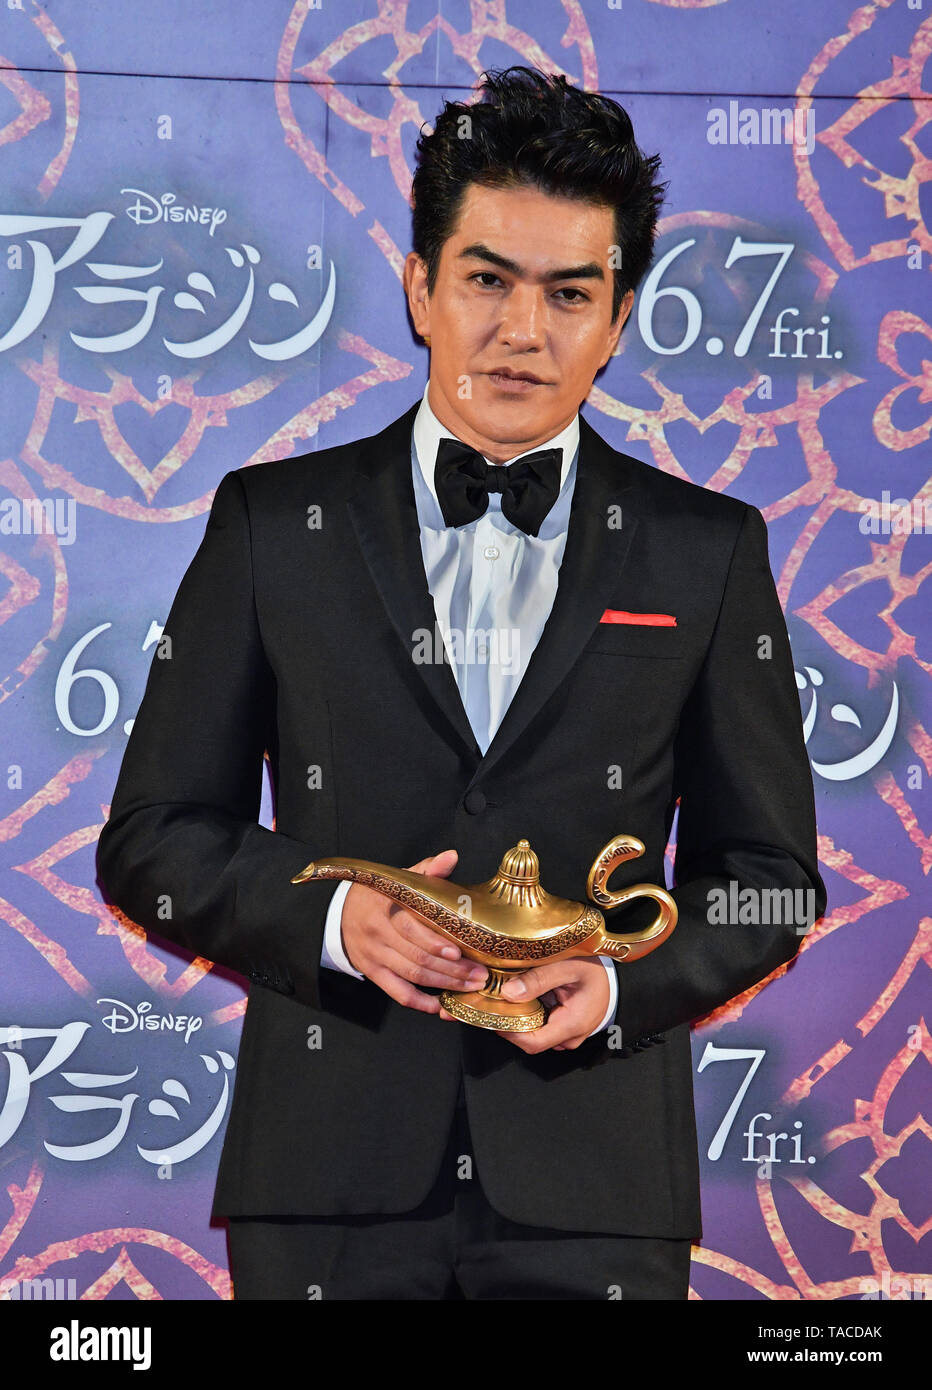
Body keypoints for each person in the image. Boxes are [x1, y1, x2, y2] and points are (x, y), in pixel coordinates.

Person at [95, 65, 826, 1300]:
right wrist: (334, 918)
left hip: (593, 1191)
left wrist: (610, 984)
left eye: (568, 293)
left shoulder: (707, 550)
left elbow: (769, 880)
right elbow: (152, 838)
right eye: (486, 279)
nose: (521, 331)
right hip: (324, 1182)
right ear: (419, 287)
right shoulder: (276, 522)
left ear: (617, 317)